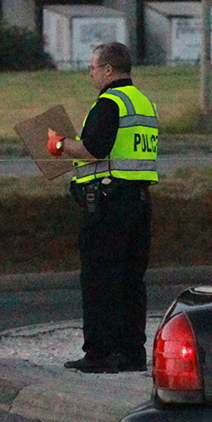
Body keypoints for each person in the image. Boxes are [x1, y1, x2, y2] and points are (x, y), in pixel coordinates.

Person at [47, 41, 157, 373]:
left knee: (99, 279)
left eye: (93, 68)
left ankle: (99, 353)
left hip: (109, 202)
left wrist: (59, 144)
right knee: (130, 280)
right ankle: (132, 352)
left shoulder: (109, 102)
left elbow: (93, 149)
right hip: (138, 202)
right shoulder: (143, 103)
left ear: (108, 70)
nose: (90, 74)